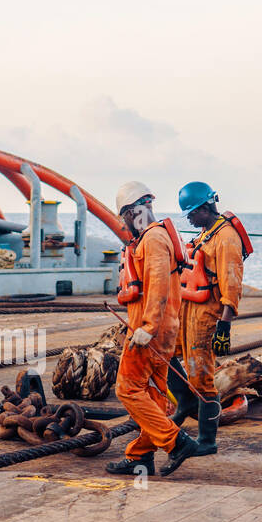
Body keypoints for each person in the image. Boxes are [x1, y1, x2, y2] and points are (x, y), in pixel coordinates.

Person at [105, 182, 198, 477]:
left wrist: (146, 327)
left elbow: (158, 284)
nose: (125, 225)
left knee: (128, 389)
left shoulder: (154, 239)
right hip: (161, 330)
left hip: (151, 333)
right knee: (153, 394)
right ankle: (141, 456)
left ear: (133, 212)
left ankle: (176, 442)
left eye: (125, 218)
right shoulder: (152, 236)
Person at [168, 181, 248, 454]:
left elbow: (232, 284)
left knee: (202, 376)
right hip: (188, 310)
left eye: (191, 212)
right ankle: (186, 402)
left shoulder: (225, 238)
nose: (189, 218)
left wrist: (224, 325)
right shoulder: (207, 233)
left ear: (205, 207)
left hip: (208, 316)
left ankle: (207, 441)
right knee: (165, 352)